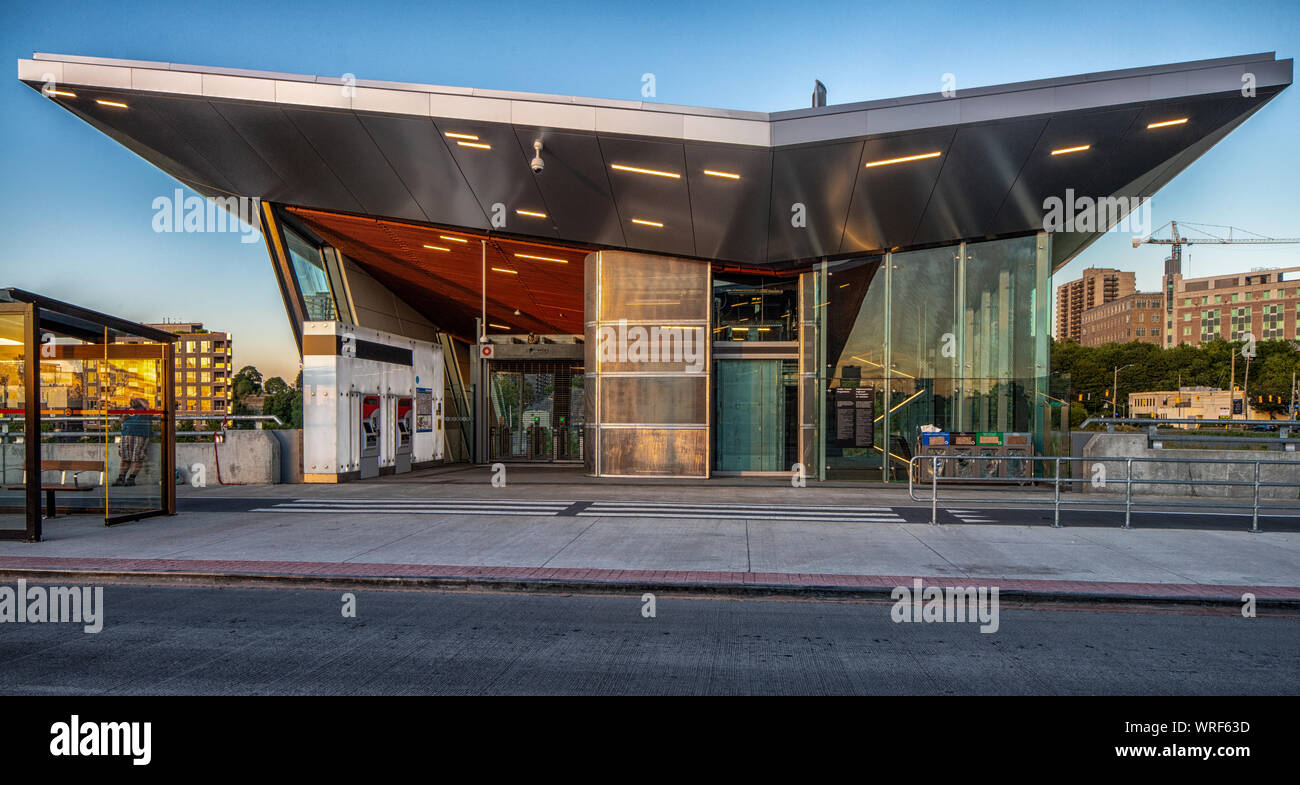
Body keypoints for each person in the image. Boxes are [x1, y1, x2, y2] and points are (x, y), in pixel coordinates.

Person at [114, 398, 153, 486]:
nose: (134, 402)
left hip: (140, 435)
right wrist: (124, 418)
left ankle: (131, 478)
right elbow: (121, 420)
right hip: (126, 435)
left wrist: (142, 402)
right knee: (125, 457)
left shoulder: (145, 410)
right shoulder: (128, 410)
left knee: (137, 457)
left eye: (137, 400)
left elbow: (149, 410)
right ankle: (121, 477)